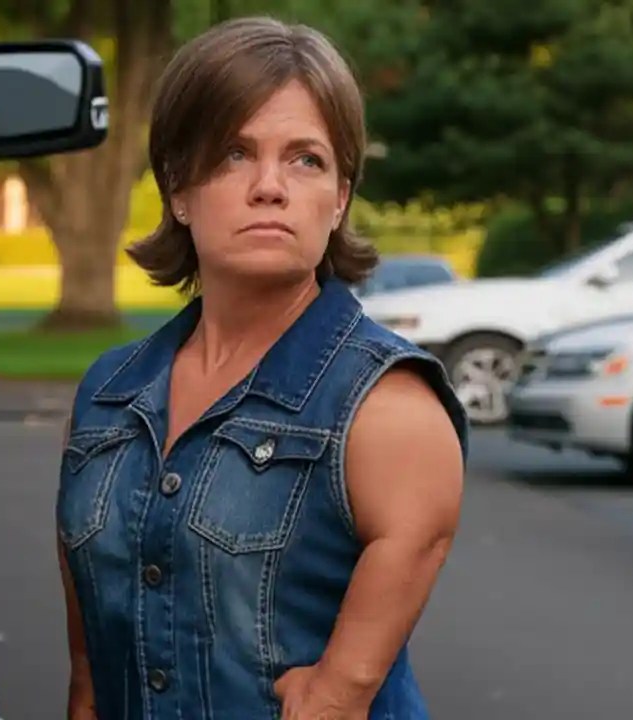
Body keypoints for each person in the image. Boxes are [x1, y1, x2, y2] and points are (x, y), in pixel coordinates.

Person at [54, 17, 469, 720]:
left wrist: (340, 688)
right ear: (178, 189)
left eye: (306, 159)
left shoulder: (384, 401)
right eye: (234, 154)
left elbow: (420, 535)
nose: (270, 186)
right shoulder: (108, 394)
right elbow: (91, 664)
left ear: (339, 198)